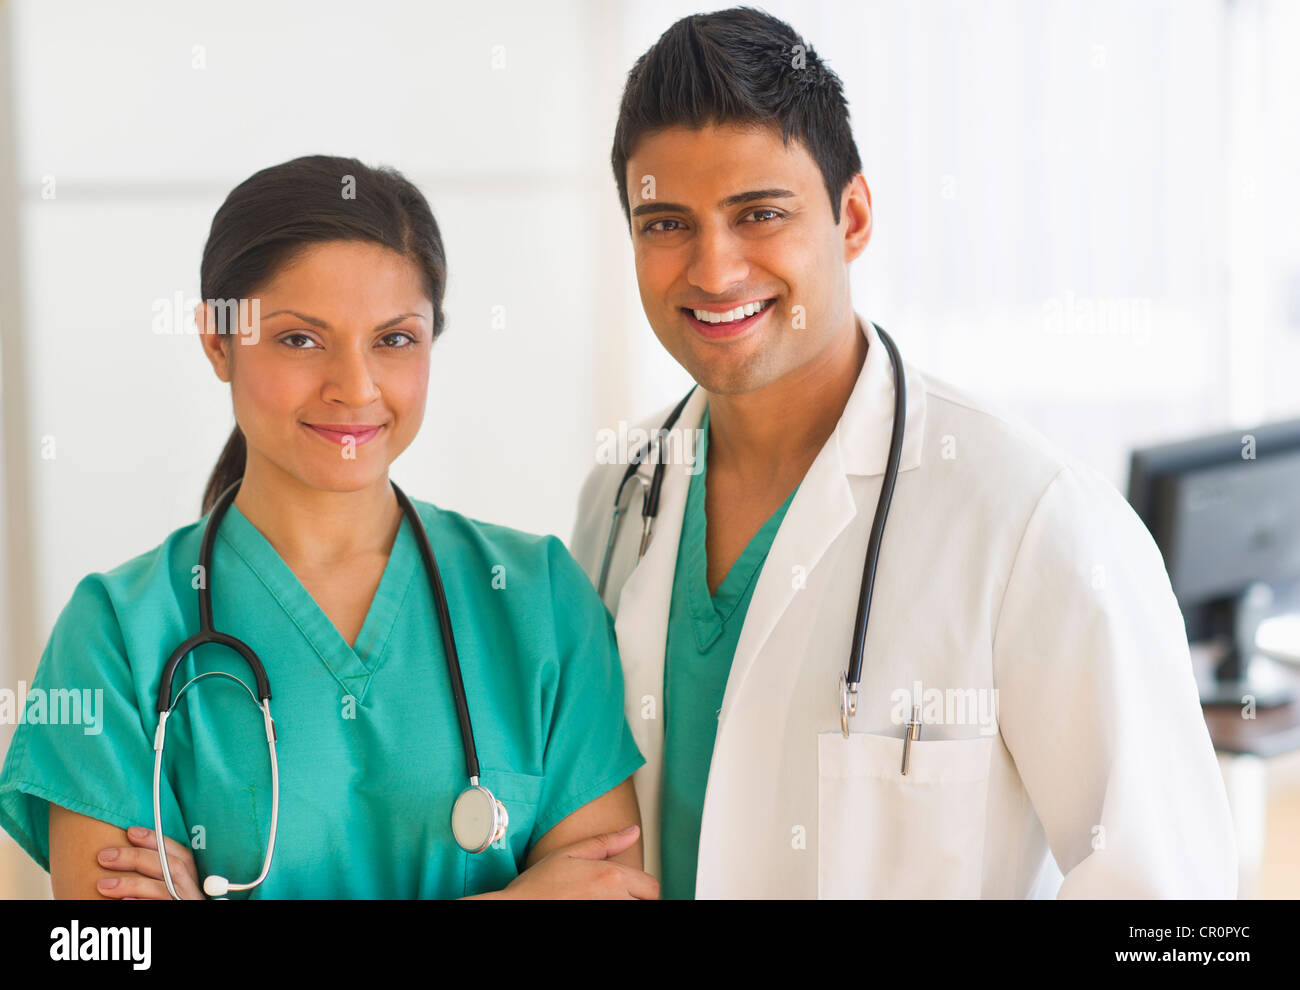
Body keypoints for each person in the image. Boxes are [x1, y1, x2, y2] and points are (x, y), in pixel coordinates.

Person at [568, 8, 1237, 898]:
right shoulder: (618, 494)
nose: (715, 270)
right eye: (665, 224)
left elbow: (1177, 905)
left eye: (759, 213)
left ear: (852, 218)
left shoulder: (1031, 519)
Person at [0, 155, 657, 900]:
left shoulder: (536, 599)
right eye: (300, 340)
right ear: (219, 341)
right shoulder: (117, 634)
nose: (355, 386)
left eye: (395, 339)